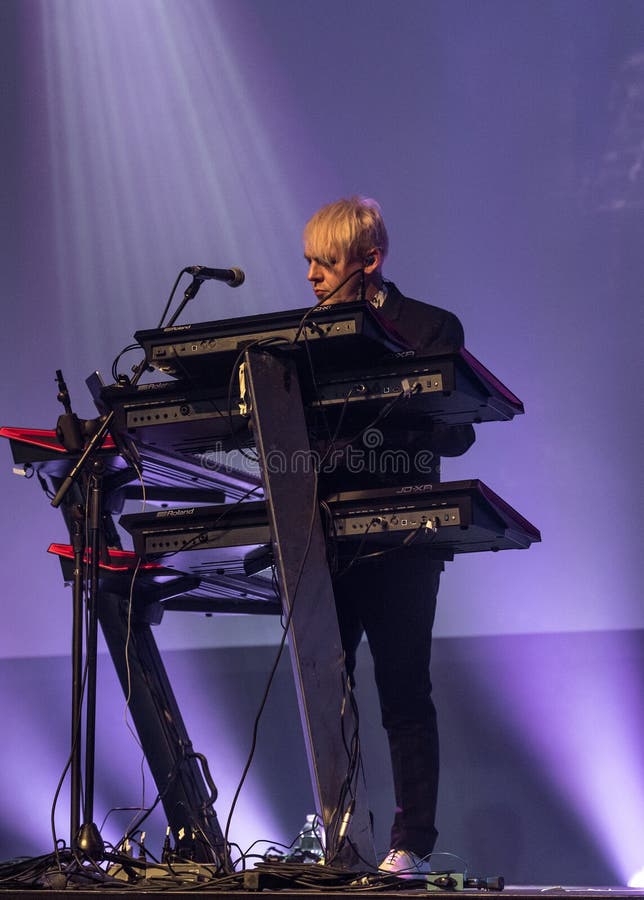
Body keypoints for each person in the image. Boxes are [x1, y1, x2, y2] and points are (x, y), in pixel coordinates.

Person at [302, 197, 475, 877]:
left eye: (325, 263)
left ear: (369, 260)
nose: (312, 277)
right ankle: (341, 835)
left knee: (403, 690)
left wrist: (390, 413)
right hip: (328, 535)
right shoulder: (305, 337)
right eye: (309, 263)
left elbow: (457, 432)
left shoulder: (429, 326)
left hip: (403, 538)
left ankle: (411, 845)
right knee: (329, 690)